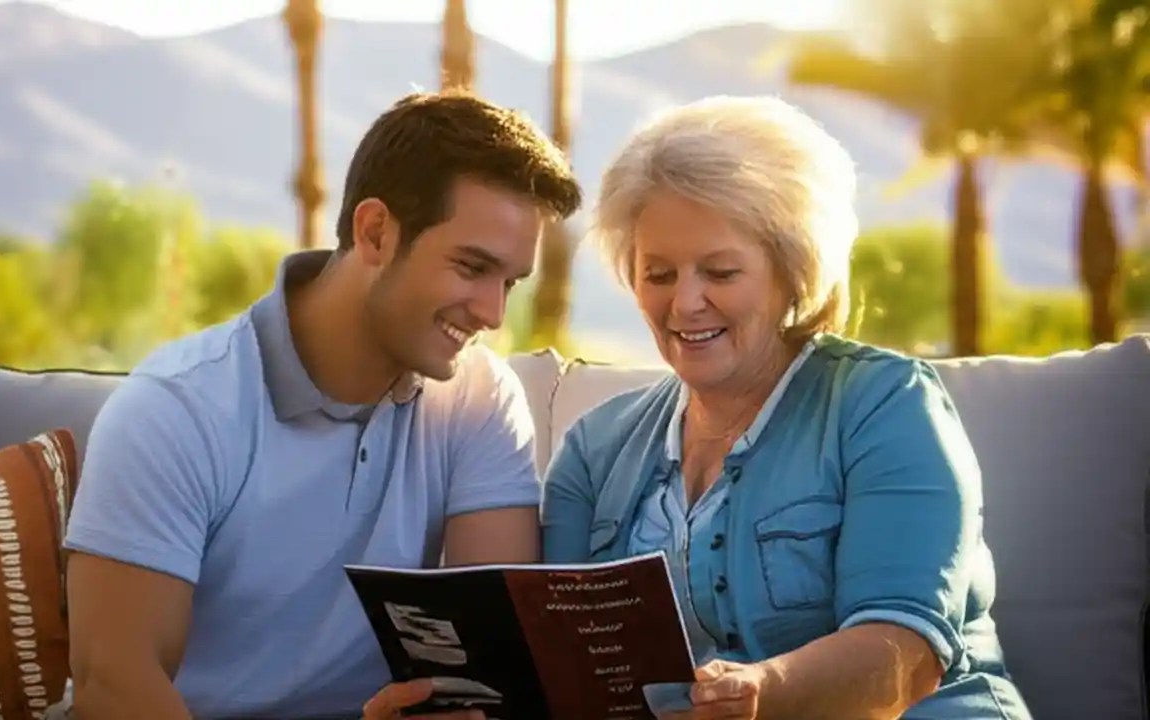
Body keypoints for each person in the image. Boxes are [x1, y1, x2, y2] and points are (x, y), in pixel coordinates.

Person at [58, 90, 581, 720]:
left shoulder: (479, 400)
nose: (494, 314)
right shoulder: (177, 409)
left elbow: (490, 675)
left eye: (510, 283)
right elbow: (114, 686)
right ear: (376, 232)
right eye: (472, 267)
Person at [540, 95, 1032, 719]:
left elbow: (903, 661)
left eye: (719, 272)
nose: (685, 303)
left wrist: (763, 692)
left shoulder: (885, 404)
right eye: (658, 274)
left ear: (791, 269)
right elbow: (560, 664)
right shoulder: (593, 449)